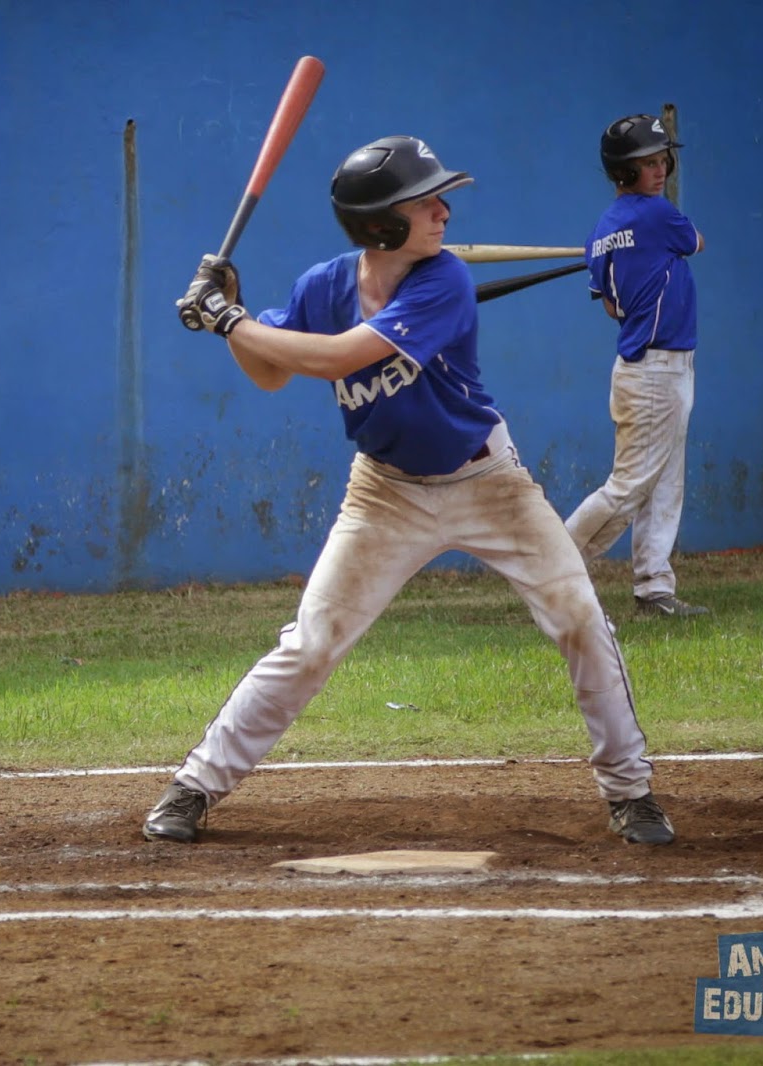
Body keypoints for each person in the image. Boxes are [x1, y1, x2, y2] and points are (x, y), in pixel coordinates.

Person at [150, 135, 674, 848]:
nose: (443, 210)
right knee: (311, 642)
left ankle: (631, 791)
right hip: (384, 492)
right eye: (424, 200)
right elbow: (270, 372)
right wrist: (231, 322)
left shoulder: (443, 281)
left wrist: (228, 320)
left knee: (580, 615)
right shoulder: (323, 286)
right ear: (379, 225)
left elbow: (342, 356)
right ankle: (194, 786)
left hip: (489, 481)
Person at [564, 114, 708, 618]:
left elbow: (610, 305)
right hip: (656, 369)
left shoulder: (601, 231)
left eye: (661, 159)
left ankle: (654, 587)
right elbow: (697, 243)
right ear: (624, 172)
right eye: (647, 163)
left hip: (648, 365)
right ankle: (551, 567)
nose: (660, 169)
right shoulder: (655, 214)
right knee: (629, 487)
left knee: (663, 481)